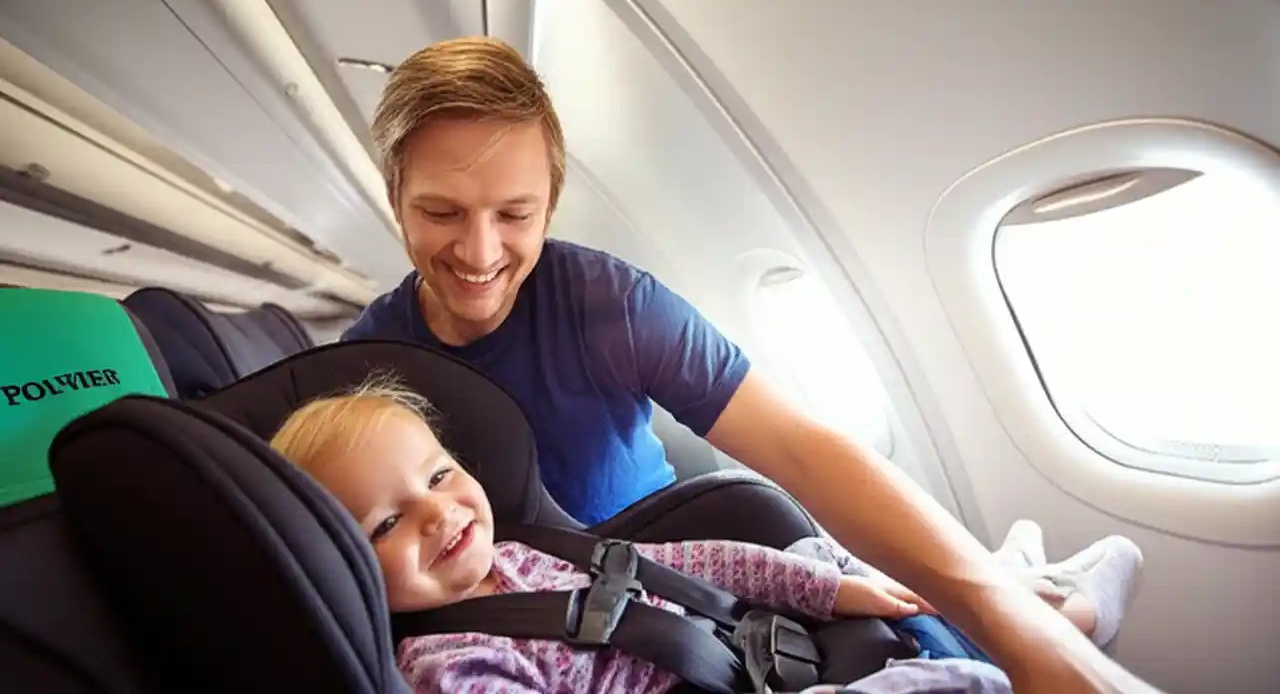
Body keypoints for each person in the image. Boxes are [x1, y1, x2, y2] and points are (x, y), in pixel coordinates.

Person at [341, 36, 1156, 692]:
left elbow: (802, 447)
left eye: (514, 214)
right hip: (527, 622)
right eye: (441, 212)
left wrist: (1012, 631)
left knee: (830, 562)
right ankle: (1049, 596)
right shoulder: (363, 383)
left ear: (550, 203)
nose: (479, 252)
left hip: (675, 569)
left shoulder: (611, 303)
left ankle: (1036, 608)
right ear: (394, 198)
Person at [269, 378, 1143, 693]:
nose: (439, 514)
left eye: (439, 476)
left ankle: (1021, 590)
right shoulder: (446, 664)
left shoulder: (517, 555)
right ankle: (1039, 622)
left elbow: (675, 567)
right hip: (705, 675)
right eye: (386, 522)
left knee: (809, 554)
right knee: (944, 680)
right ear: (340, 566)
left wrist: (826, 592)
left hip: (723, 637)